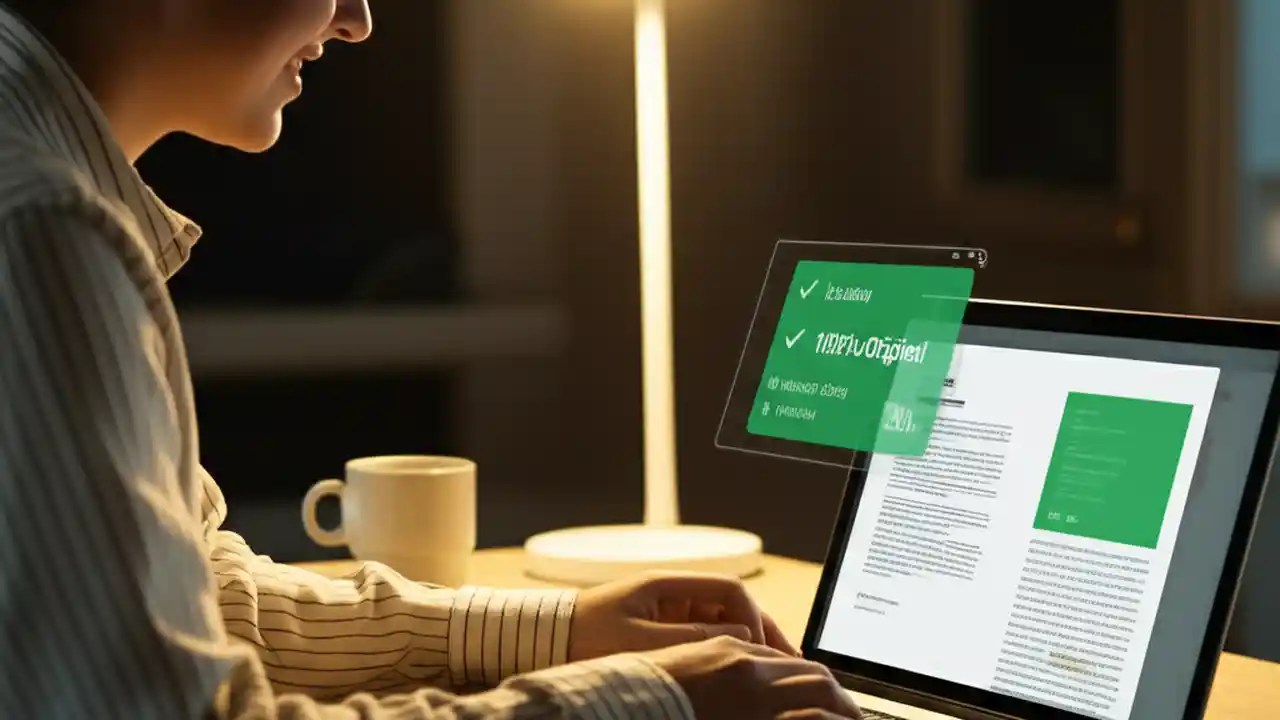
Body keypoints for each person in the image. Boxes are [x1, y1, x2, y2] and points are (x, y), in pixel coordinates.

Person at [0, 1, 864, 718]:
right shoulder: (40, 227)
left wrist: (561, 631)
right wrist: (649, 701)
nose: (358, 21)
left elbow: (201, 601)